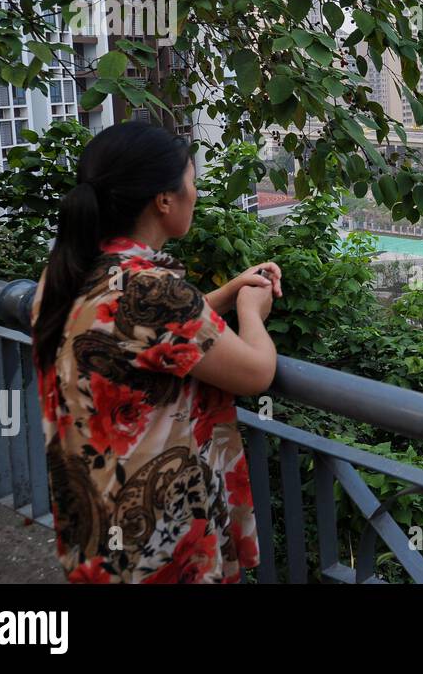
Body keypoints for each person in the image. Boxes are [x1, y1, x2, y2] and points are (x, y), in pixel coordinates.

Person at [29, 122, 282, 583]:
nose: (196, 193)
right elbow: (255, 373)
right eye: (192, 182)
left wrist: (224, 293)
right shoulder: (152, 289)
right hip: (157, 544)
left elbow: (136, 336)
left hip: (97, 520)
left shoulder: (74, 269)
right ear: (164, 200)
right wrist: (251, 309)